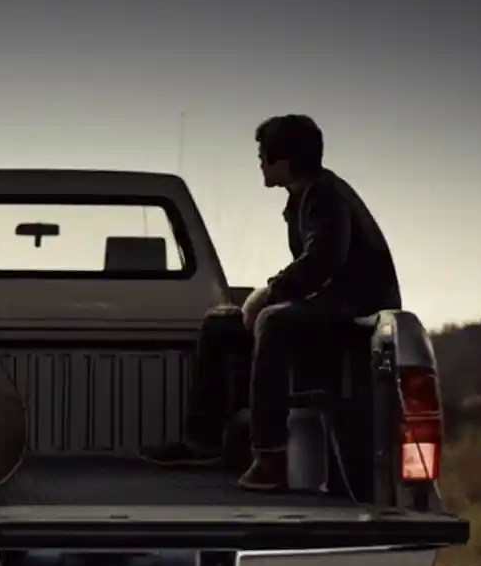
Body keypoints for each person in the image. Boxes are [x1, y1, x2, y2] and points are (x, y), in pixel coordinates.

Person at [140, 114, 402, 491]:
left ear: (286, 160)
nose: (260, 163)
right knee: (221, 324)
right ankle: (203, 442)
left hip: (358, 313)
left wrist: (270, 293)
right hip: (333, 302)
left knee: (274, 322)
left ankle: (271, 456)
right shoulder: (304, 196)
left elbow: (323, 260)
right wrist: (268, 295)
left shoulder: (326, 196)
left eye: (264, 155)